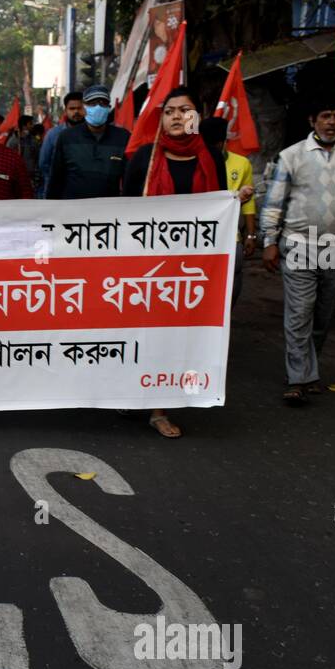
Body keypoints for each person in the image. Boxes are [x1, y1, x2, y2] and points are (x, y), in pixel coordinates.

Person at [119, 87, 221, 439]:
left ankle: (158, 409)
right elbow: (123, 213)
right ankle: (133, 390)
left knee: (174, 337)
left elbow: (217, 213)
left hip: (191, 269)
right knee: (141, 334)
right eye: (170, 111)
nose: (177, 117)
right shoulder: (144, 159)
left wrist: (234, 202)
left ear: (198, 117)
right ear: (160, 119)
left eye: (185, 110)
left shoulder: (212, 159)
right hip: (146, 267)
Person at [260, 98, 335, 404]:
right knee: (300, 313)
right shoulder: (291, 156)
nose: (332, 121)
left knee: (322, 315)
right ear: (313, 120)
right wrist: (268, 241)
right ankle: (298, 378)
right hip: (298, 244)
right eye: (326, 115)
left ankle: (308, 368)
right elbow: (273, 203)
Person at [200, 116, 258, 303]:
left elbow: (249, 201)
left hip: (231, 238)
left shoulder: (242, 164)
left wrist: (250, 234)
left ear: (225, 141)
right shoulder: (195, 162)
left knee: (229, 293)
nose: (214, 148)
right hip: (199, 239)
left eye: (218, 143)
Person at [45, 84, 130, 200]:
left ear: (109, 107)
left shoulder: (123, 137)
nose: (98, 107)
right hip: (74, 210)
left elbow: (130, 179)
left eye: (102, 103)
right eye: (92, 103)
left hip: (109, 210)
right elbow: (56, 178)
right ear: (84, 108)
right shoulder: (67, 137)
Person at [37, 91, 84, 198]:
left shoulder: (92, 134)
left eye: (79, 108)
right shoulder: (53, 134)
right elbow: (44, 164)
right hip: (61, 193)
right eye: (72, 109)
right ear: (65, 111)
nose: (76, 112)